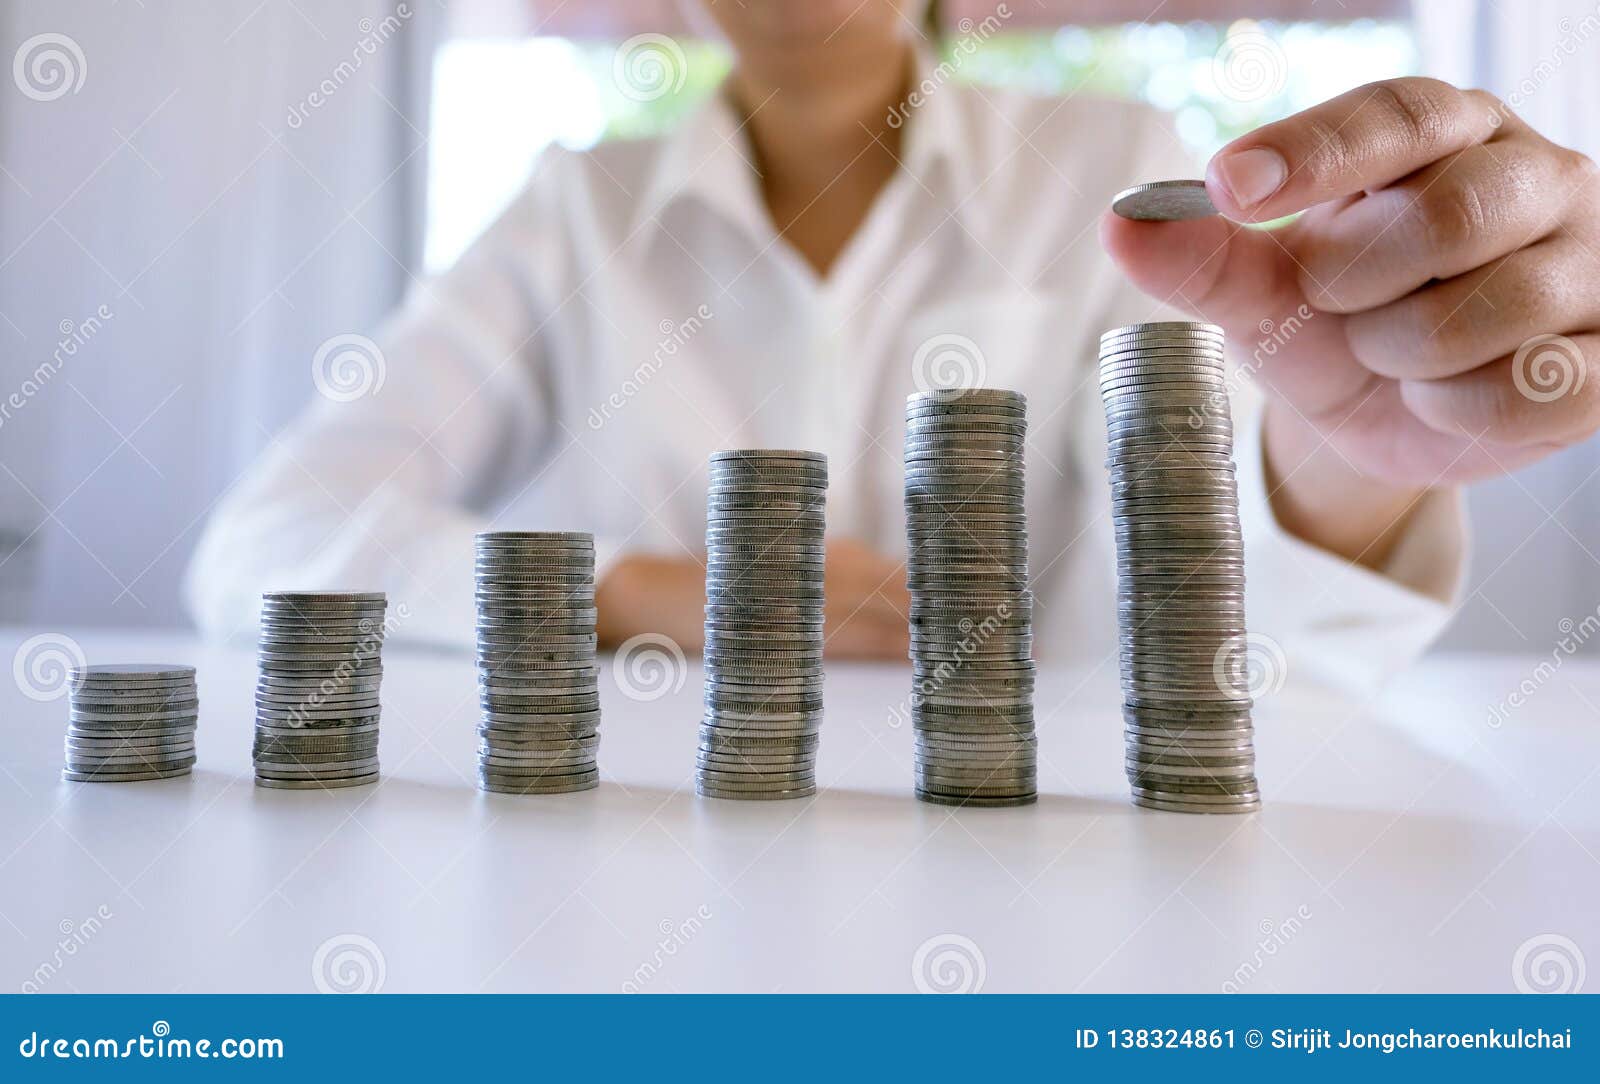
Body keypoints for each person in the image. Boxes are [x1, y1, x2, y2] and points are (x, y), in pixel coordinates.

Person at [185, 1, 1599, 689]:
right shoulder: (573, 206)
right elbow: (261, 548)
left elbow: (1240, 617)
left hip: (1039, 895)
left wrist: (1344, 463)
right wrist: (631, 591)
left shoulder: (1115, 167)